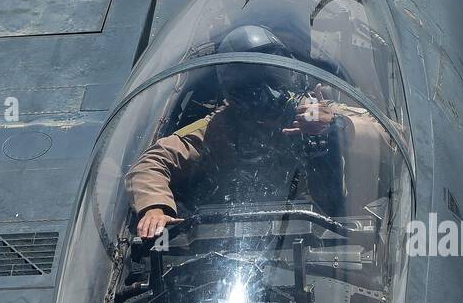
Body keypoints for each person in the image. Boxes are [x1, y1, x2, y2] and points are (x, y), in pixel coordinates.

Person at [127, 25, 375, 240]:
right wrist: (155, 208)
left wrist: (336, 126)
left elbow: (393, 139)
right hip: (241, 249)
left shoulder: (317, 114)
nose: (265, 101)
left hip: (329, 243)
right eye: (251, 93)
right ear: (233, 97)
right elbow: (154, 161)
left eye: (271, 86)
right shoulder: (218, 127)